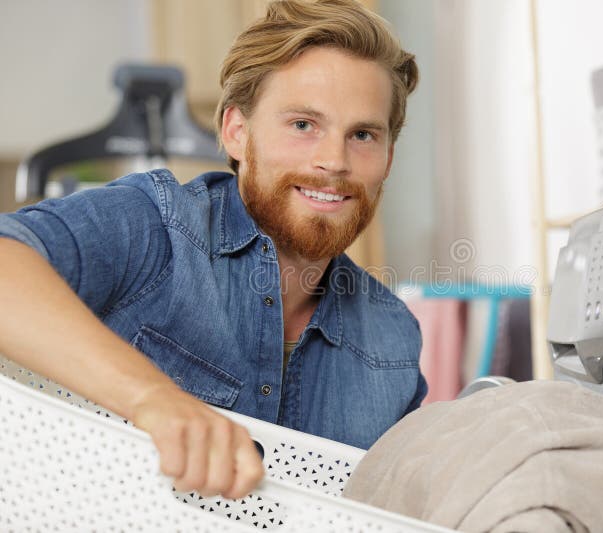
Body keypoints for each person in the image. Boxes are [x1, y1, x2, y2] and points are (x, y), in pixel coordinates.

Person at [0, 0, 425, 501]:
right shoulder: (155, 225)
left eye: (363, 134)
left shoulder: (395, 341)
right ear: (236, 133)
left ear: (388, 158)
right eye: (302, 125)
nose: (334, 161)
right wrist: (153, 397)